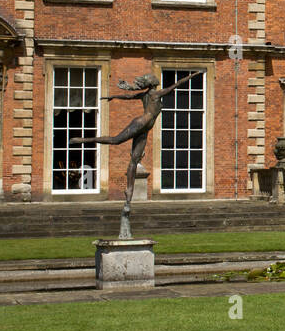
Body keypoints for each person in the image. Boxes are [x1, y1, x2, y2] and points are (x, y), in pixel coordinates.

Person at [71, 71, 197, 239]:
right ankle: (83, 140)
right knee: (116, 140)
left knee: (134, 160)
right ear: (152, 83)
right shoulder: (155, 94)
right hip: (141, 124)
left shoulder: (145, 94)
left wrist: (113, 96)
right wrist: (193, 75)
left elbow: (128, 97)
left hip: (144, 129)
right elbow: (177, 84)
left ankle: (128, 197)